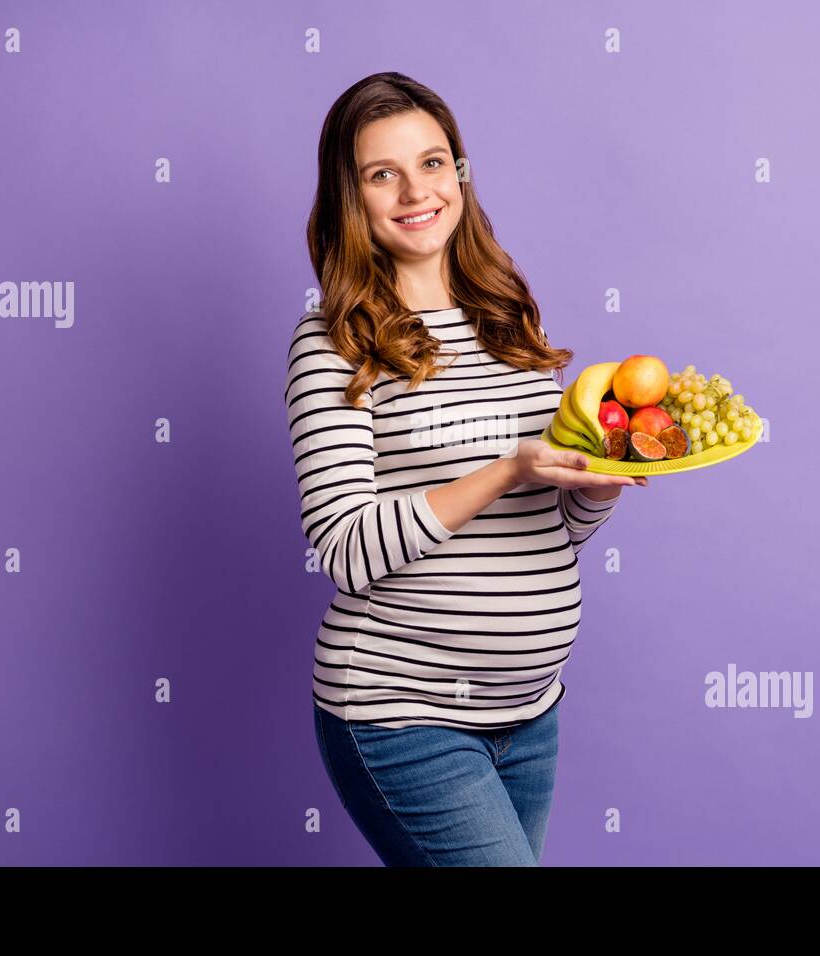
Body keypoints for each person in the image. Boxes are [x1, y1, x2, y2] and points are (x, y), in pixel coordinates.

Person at [285, 72, 647, 866]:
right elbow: (344, 549)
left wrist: (593, 491)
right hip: (399, 713)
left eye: (434, 163)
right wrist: (506, 468)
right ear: (352, 196)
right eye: (384, 173)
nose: (417, 191)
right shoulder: (334, 339)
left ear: (461, 173)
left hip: (531, 714)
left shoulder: (509, 312)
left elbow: (551, 532)